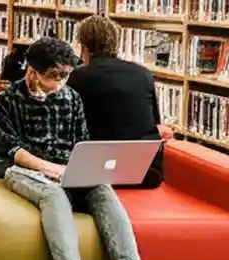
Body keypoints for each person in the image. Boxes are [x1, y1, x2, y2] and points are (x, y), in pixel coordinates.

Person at [0, 38, 153, 260]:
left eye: (65, 76)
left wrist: (82, 167)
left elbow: (82, 141)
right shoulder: (8, 99)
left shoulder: (72, 98)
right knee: (53, 195)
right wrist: (53, 170)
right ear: (32, 72)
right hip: (24, 168)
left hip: (68, 168)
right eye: (53, 76)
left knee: (102, 188)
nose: (59, 84)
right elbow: (12, 149)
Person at [67, 15, 164, 188]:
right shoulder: (143, 74)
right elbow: (154, 122)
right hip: (147, 170)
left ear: (84, 46)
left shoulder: (78, 77)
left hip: (100, 169)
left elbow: (69, 125)